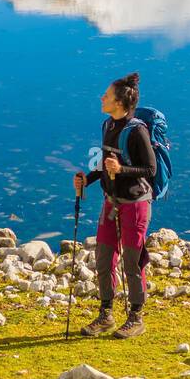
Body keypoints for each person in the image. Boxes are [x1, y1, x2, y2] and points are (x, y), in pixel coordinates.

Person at [74, 71, 156, 339]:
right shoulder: (108, 126)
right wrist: (88, 179)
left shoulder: (137, 131)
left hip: (135, 204)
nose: (102, 98)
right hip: (110, 203)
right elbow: (105, 162)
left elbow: (150, 169)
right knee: (104, 258)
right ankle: (106, 314)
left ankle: (136, 317)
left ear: (119, 102)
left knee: (132, 262)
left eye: (107, 96)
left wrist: (121, 169)